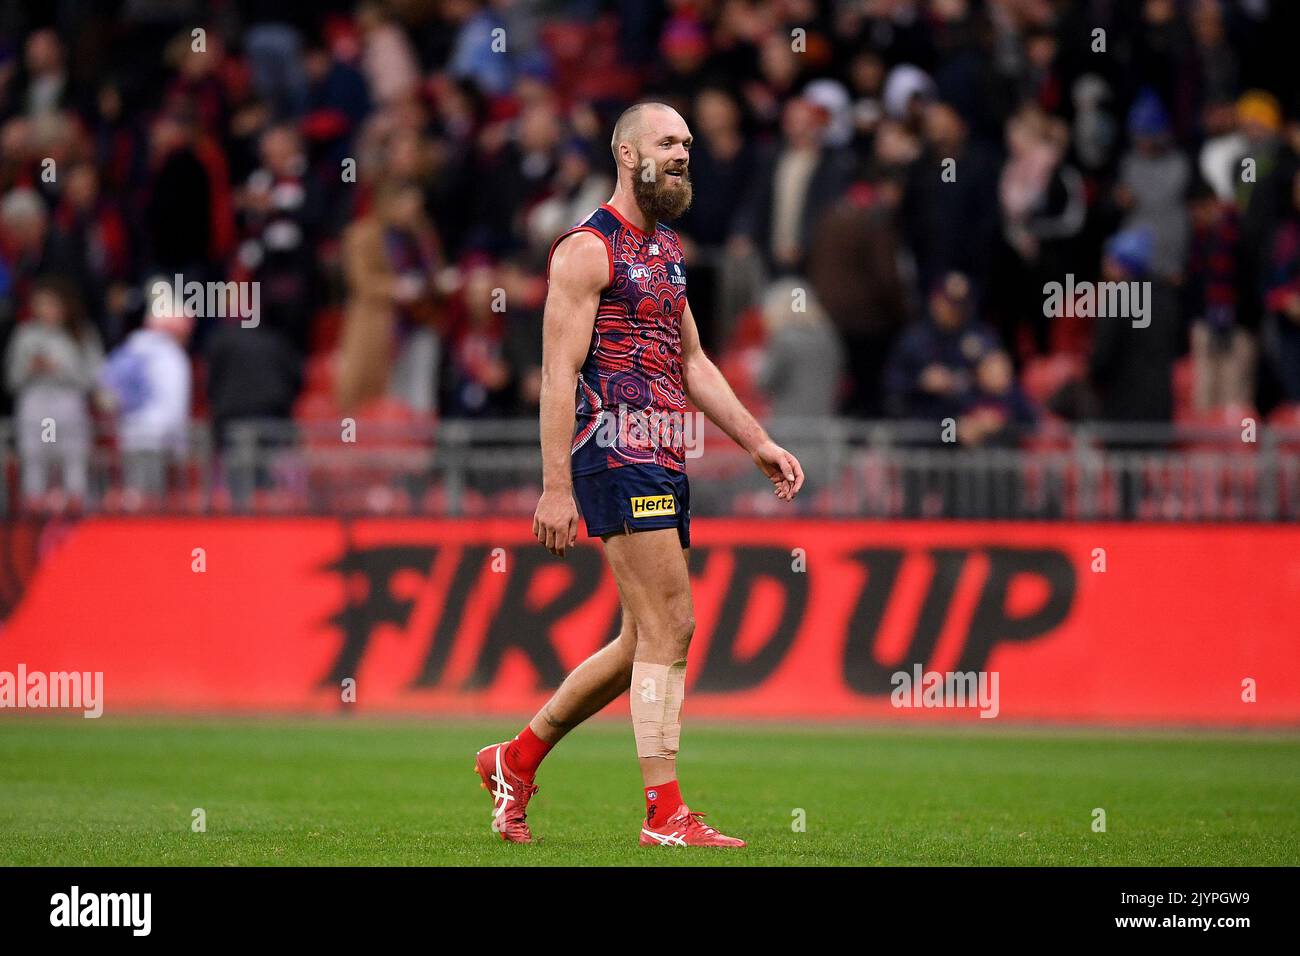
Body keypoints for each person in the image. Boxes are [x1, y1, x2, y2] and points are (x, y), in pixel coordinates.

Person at [474, 102, 805, 848]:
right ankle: (665, 813)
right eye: (669, 141)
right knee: (674, 624)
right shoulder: (586, 250)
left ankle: (514, 761)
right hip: (614, 451)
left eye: (688, 141)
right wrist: (555, 487)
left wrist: (757, 441)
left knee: (638, 642)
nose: (685, 152)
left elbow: (692, 362)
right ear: (628, 153)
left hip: (662, 450)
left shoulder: (666, 250)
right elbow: (557, 375)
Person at [4, 277, 103, 505]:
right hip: (36, 406)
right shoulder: (25, 335)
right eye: (40, 304)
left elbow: (94, 377)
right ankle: (35, 511)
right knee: (35, 458)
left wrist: (60, 370)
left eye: (51, 304)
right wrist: (31, 369)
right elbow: (12, 380)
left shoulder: (81, 334)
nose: (45, 310)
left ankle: (75, 509)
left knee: (72, 457)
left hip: (68, 405)